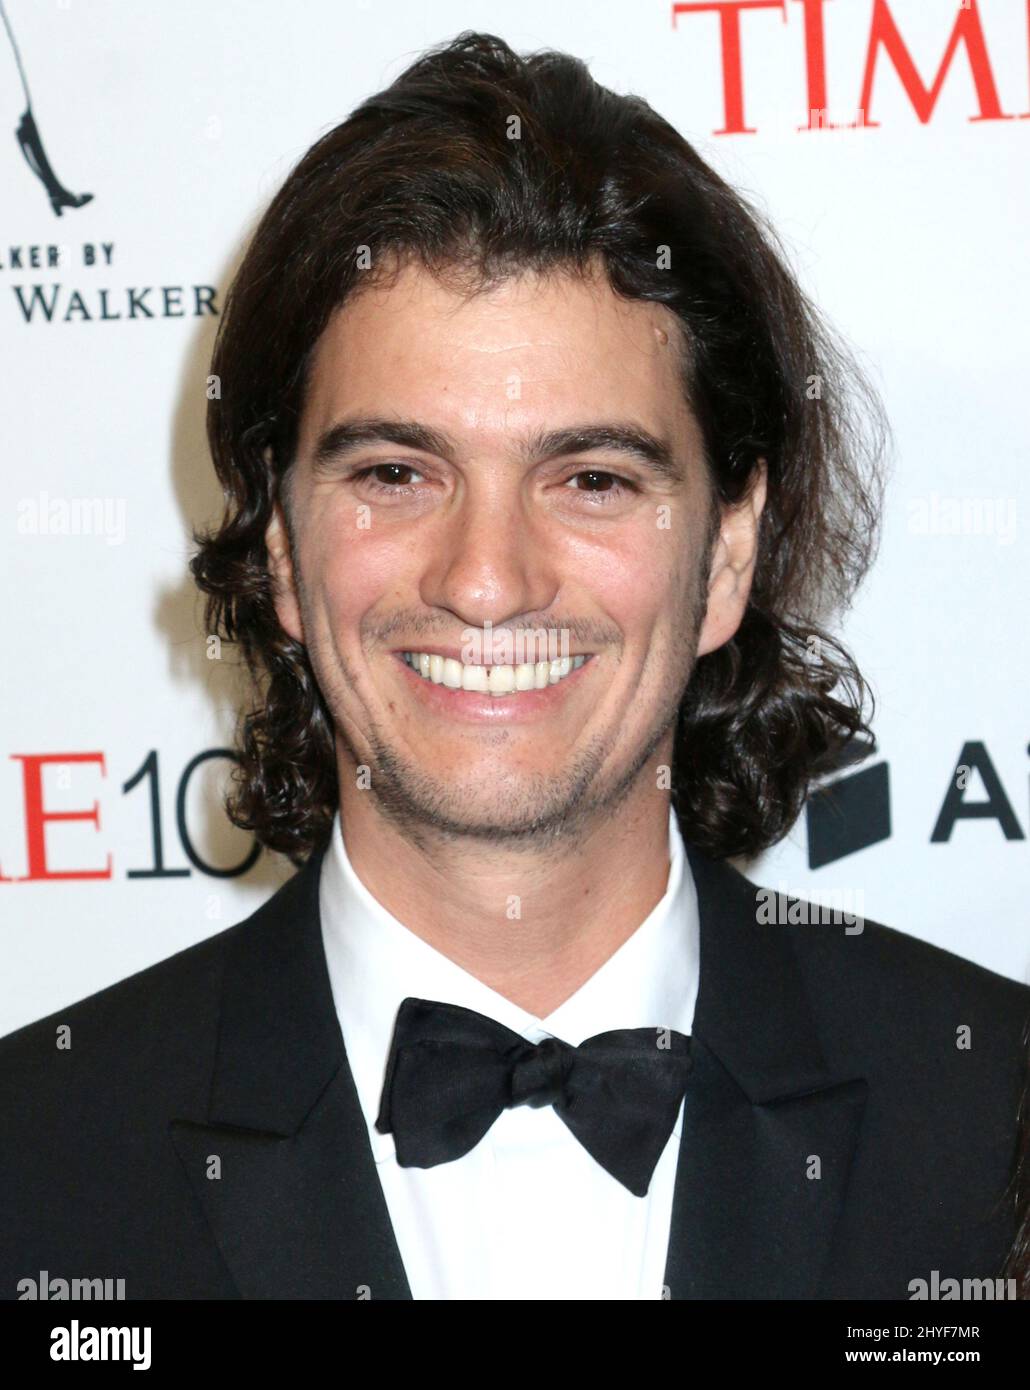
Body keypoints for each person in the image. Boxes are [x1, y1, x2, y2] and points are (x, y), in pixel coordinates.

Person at [2, 31, 1027, 1302]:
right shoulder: (36, 1165)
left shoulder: (993, 1121)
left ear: (725, 554)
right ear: (278, 542)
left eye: (590, 480)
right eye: (395, 474)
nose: (485, 579)